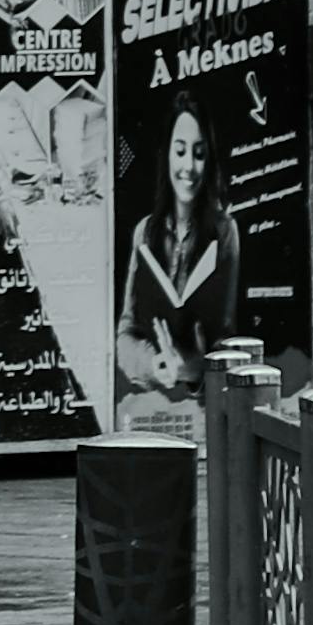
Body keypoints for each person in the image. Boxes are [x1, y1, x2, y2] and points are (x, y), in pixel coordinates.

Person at [113, 93, 243, 402]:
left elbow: (229, 335)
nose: (188, 167)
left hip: (206, 408)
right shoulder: (145, 233)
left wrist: (198, 369)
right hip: (151, 407)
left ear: (208, 160)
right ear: (167, 155)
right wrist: (152, 365)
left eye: (199, 154)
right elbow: (125, 335)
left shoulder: (225, 233)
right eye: (180, 151)